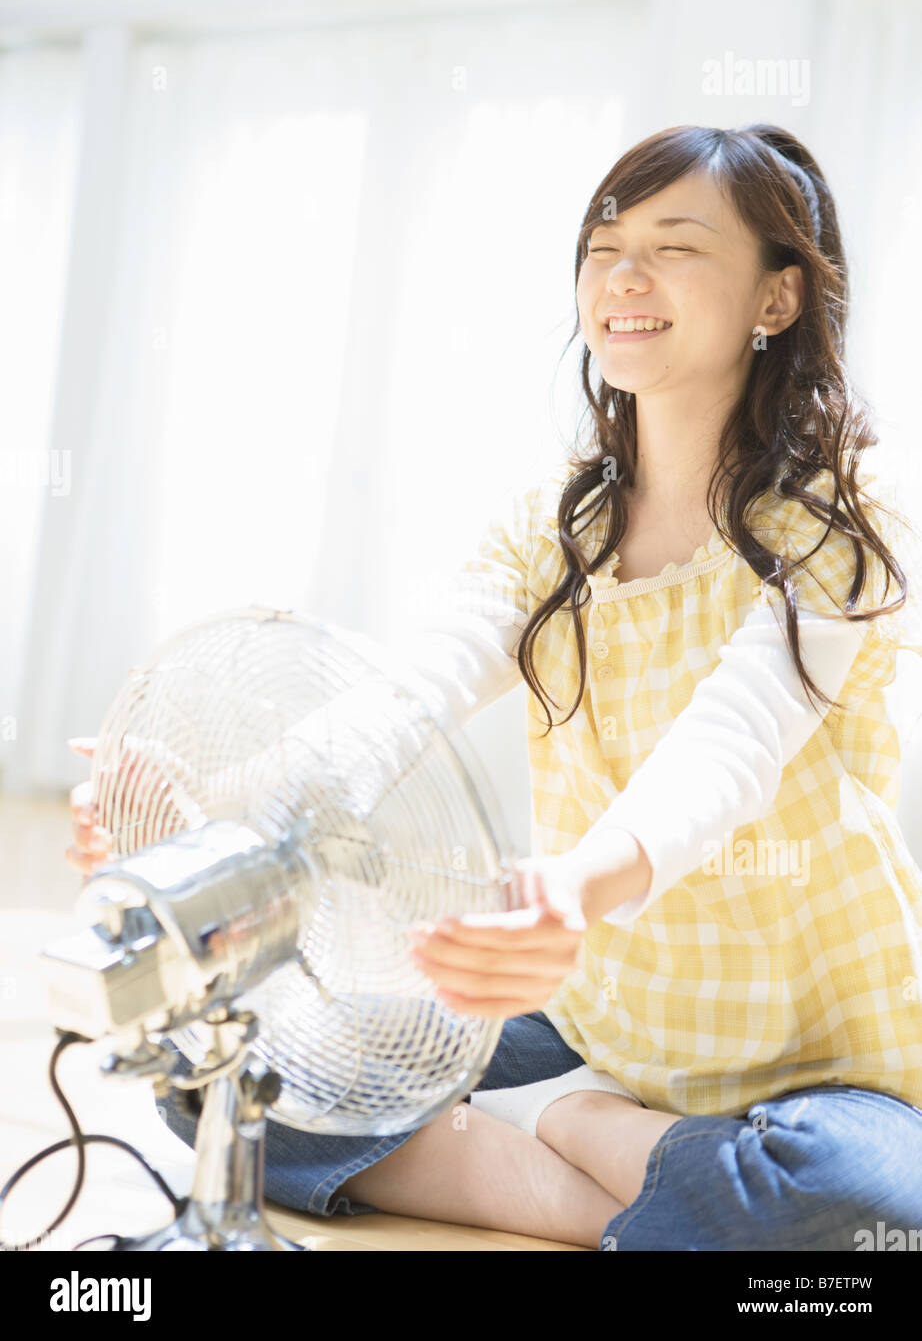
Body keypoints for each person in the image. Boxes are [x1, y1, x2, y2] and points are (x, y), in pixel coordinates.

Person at [67, 123, 922, 1251]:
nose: (622, 274)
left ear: (775, 300)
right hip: (595, 1015)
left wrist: (571, 889)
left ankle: (554, 1126)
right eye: (602, 243)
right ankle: (600, 1175)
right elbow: (400, 699)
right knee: (210, 1062)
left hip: (814, 1060)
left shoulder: (838, 510)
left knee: (858, 1210)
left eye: (675, 247)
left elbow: (731, 746)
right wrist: (203, 821)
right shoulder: (555, 527)